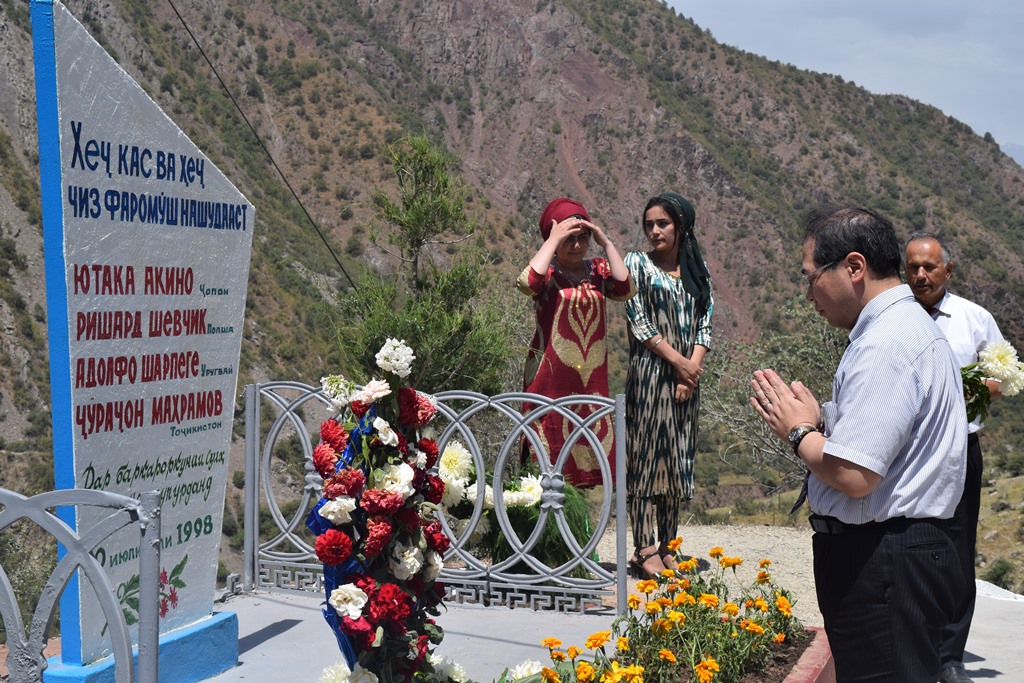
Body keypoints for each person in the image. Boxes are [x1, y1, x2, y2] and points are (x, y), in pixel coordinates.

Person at [749, 207, 967, 683]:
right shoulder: (901, 328)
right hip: (895, 558)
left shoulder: (885, 343)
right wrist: (825, 416)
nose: (808, 295)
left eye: (811, 278)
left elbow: (854, 475)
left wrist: (799, 431)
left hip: (883, 562)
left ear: (853, 267)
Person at [904, 232, 1004, 683]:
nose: (921, 275)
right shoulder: (890, 316)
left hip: (960, 450)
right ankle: (911, 643)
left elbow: (1001, 375)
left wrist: (970, 390)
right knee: (907, 542)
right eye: (913, 267)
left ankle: (949, 656)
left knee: (957, 549)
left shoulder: (974, 318)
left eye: (929, 267)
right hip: (903, 450)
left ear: (948, 270)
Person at [623, 192, 713, 578]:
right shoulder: (637, 264)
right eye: (649, 224)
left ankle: (669, 545)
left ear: (681, 226)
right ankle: (644, 550)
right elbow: (638, 320)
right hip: (649, 377)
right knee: (645, 460)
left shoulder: (697, 268)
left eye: (663, 223)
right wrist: (679, 365)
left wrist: (691, 370)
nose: (655, 230)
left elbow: (705, 321)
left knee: (676, 461)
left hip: (685, 380)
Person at [517, 197, 635, 489]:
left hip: (589, 381)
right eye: (569, 239)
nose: (577, 245)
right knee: (546, 465)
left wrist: (606, 244)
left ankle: (577, 530)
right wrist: (553, 240)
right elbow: (527, 283)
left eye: (583, 238)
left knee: (582, 466)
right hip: (549, 378)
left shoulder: (597, 271)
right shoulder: (548, 274)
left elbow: (625, 288)